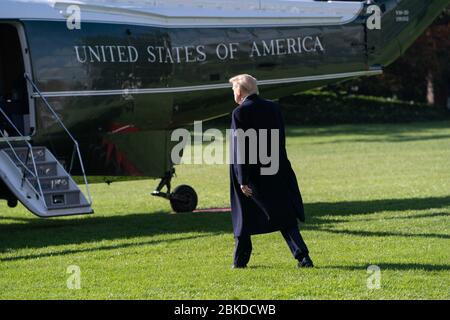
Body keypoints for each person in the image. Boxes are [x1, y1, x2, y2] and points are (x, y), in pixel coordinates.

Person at [229, 74, 313, 269]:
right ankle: (303, 256)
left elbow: (240, 149)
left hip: (251, 174)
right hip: (276, 169)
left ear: (240, 92)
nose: (233, 93)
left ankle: (239, 262)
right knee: (284, 215)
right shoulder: (273, 107)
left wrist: (242, 179)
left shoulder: (239, 113)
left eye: (234, 89)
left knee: (243, 217)